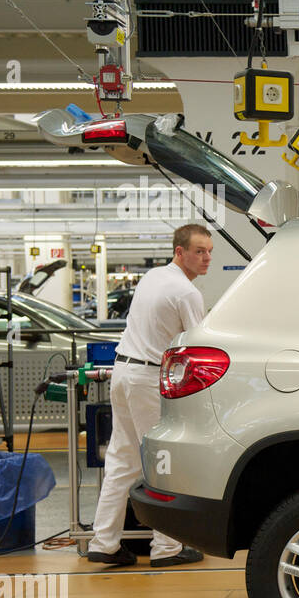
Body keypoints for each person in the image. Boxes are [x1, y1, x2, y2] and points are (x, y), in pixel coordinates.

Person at [88, 224, 212, 567]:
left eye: (209, 251)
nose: (206, 258)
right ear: (179, 251)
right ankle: (167, 549)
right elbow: (196, 346)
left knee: (122, 460)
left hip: (123, 372)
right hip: (147, 378)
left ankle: (104, 543)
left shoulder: (154, 276)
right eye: (199, 251)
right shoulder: (188, 293)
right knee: (162, 462)